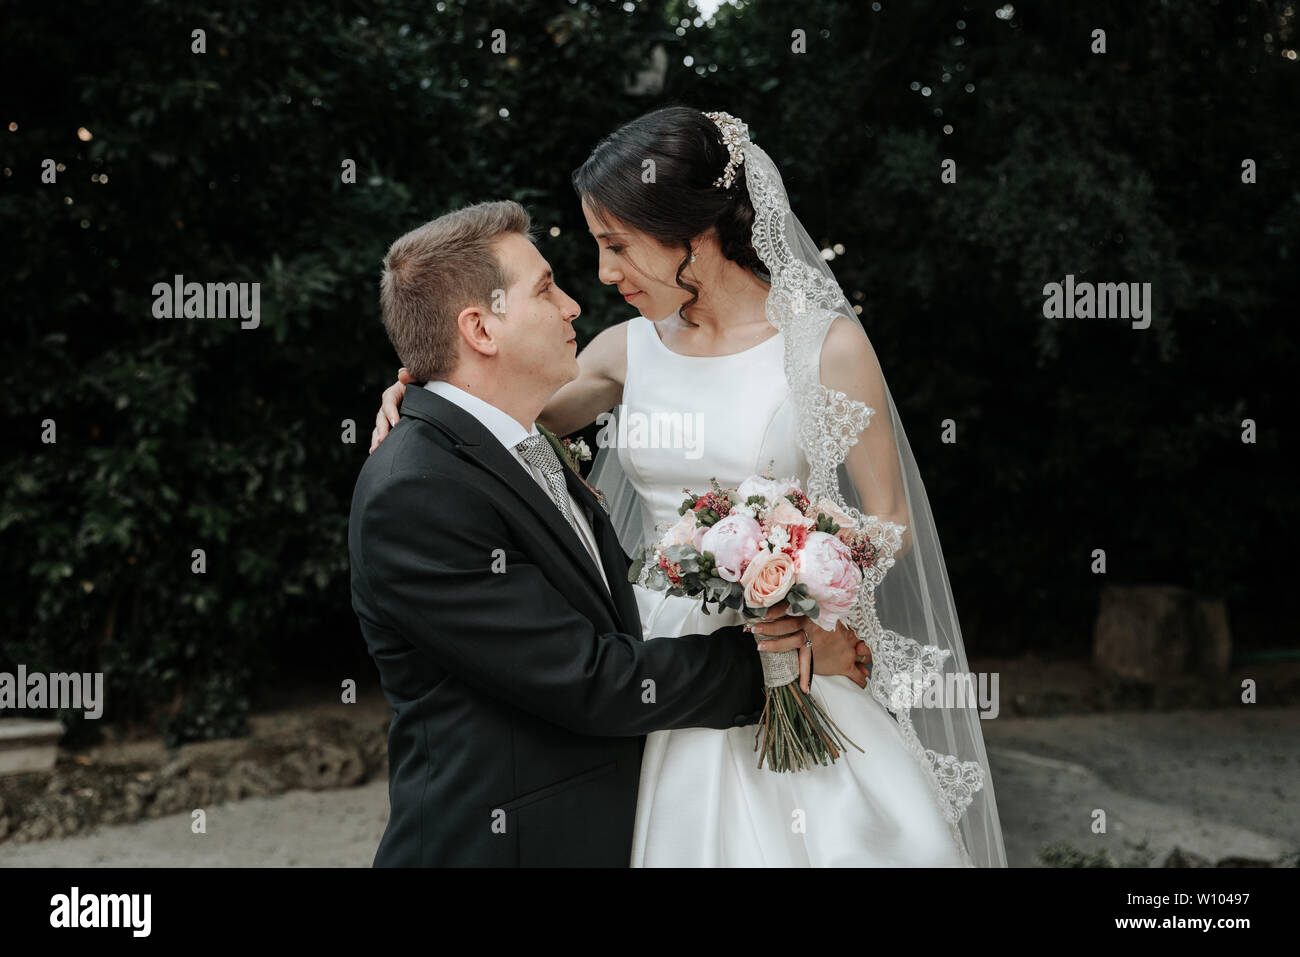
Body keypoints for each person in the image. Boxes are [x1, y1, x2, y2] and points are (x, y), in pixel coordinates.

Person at [372, 108, 1007, 867]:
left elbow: (890, 519)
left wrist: (811, 591)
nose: (602, 275)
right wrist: (413, 392)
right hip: (653, 655)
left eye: (616, 246)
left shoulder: (826, 347)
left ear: (690, 234)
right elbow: (495, 412)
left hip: (788, 645)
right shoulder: (622, 352)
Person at [351, 197, 862, 866]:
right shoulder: (418, 493)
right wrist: (782, 662)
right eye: (545, 289)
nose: (571, 305)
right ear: (480, 329)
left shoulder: (516, 439)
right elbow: (590, 679)